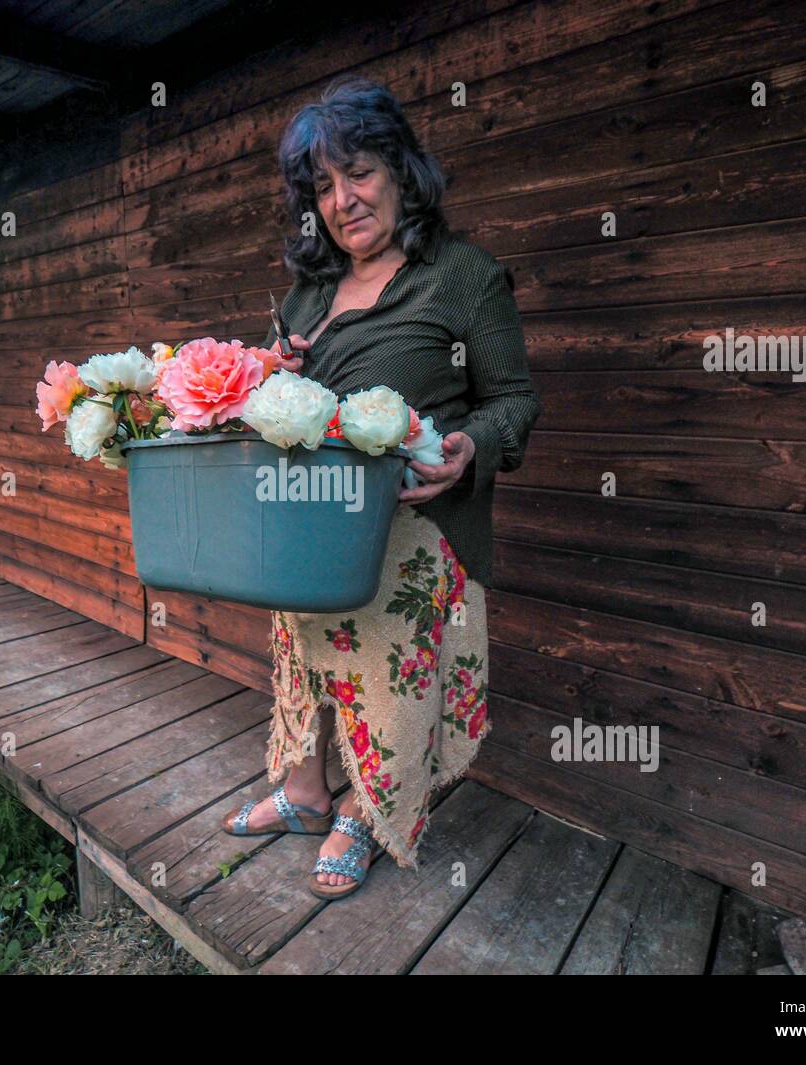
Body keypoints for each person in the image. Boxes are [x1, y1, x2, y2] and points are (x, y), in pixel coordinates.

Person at [221, 75, 542, 899]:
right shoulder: (308, 293)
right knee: (304, 652)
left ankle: (365, 811)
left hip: (415, 528)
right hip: (310, 526)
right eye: (322, 186)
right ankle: (303, 793)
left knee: (384, 670)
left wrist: (472, 446)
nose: (343, 200)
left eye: (358, 172)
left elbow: (514, 399)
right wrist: (267, 376)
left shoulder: (462, 276)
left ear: (401, 169)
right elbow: (265, 408)